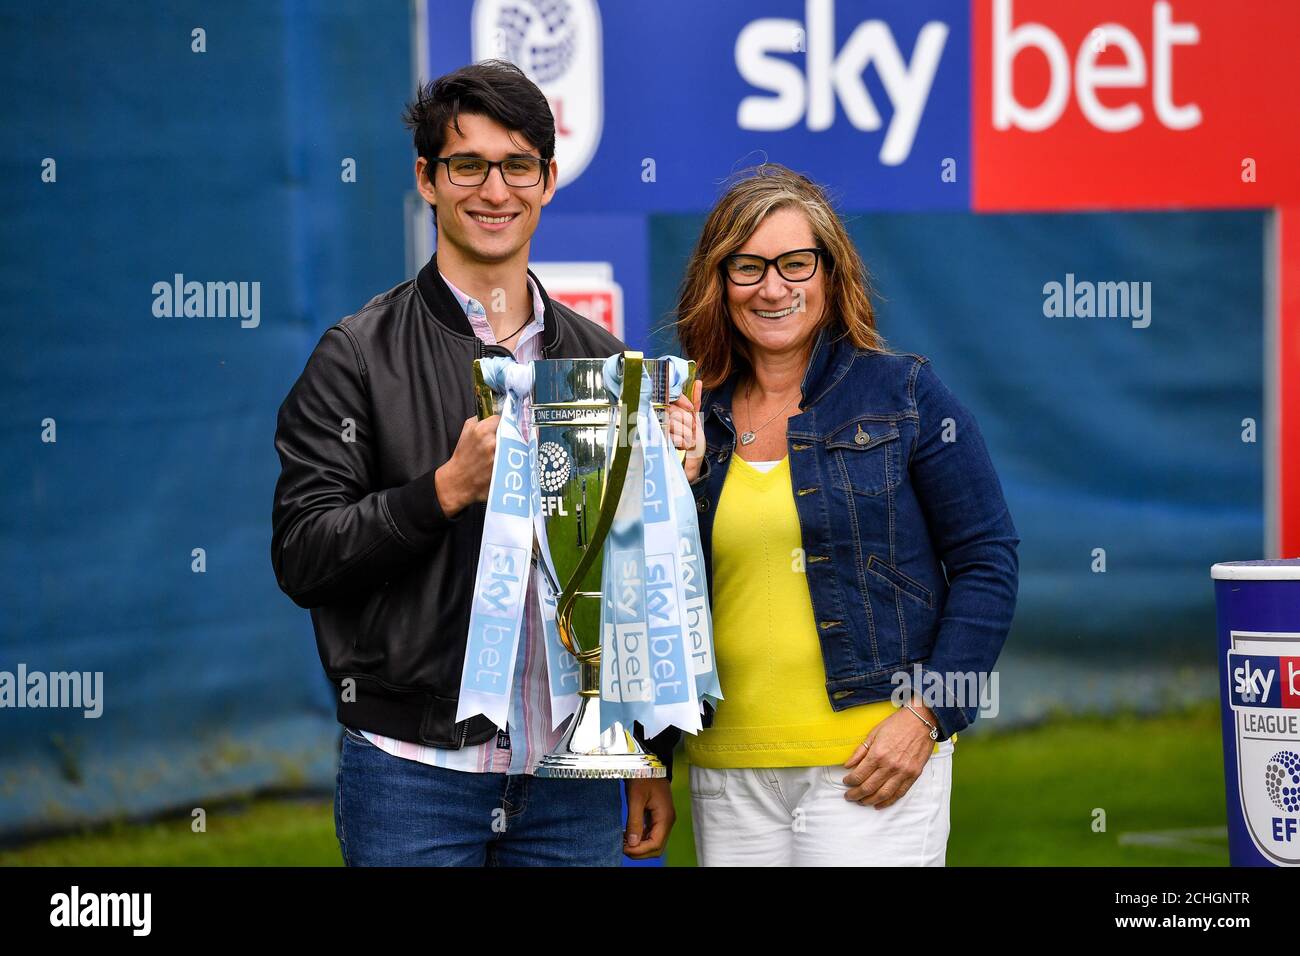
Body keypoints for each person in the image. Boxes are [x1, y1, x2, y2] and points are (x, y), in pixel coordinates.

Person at [271, 60, 682, 866]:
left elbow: (635, 586)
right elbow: (303, 556)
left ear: (549, 180)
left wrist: (650, 750)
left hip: (575, 777)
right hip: (413, 776)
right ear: (428, 179)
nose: (495, 190)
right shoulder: (355, 357)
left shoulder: (602, 361)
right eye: (468, 165)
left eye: (517, 164)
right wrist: (440, 493)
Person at [662, 164, 1019, 866]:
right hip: (727, 770)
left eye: (795, 264)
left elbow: (988, 564)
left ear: (831, 274)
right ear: (719, 279)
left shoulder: (904, 394)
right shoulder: (688, 416)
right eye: (748, 266)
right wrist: (651, 759)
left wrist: (928, 716)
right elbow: (655, 604)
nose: (773, 287)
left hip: (869, 762)